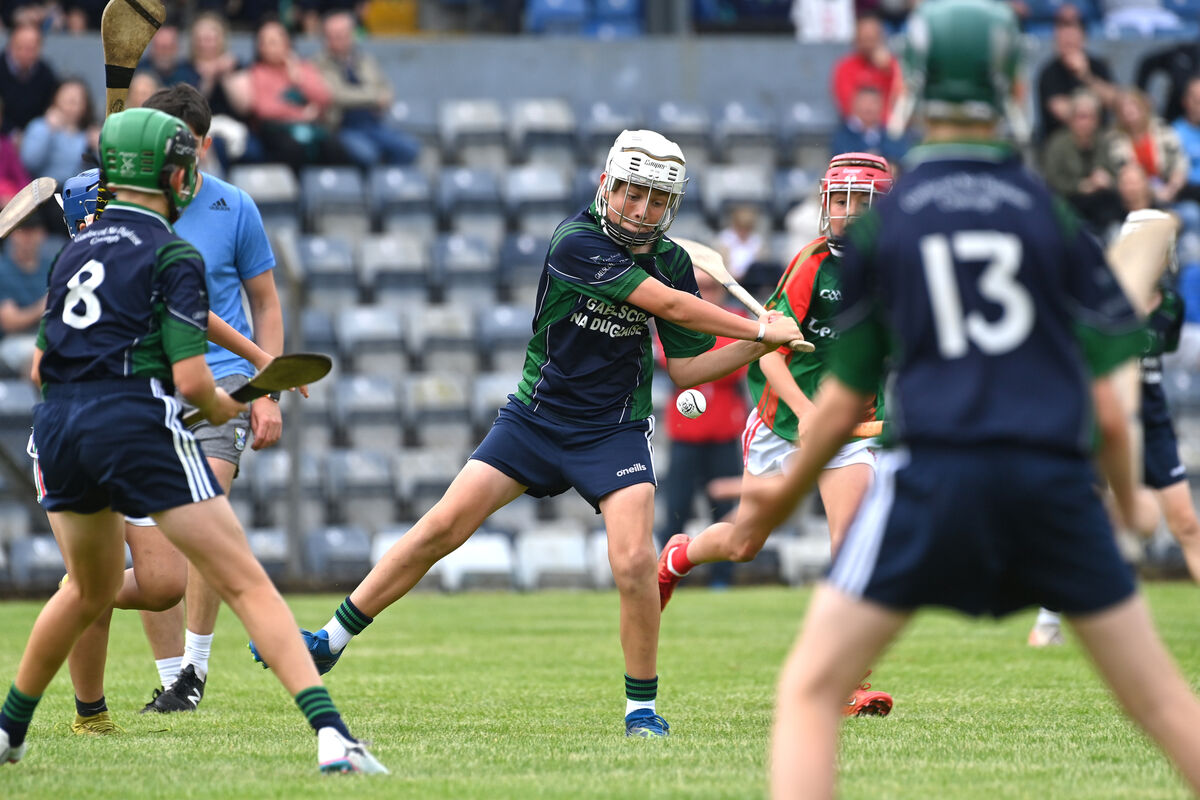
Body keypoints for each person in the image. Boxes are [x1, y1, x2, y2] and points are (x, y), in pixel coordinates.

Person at [761, 3, 1200, 797]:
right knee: (1166, 703)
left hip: (932, 475)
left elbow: (840, 401)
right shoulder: (1050, 217)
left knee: (810, 690)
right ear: (1011, 87)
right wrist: (1131, 505)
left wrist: (771, 501)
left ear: (914, 86)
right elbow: (1107, 396)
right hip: (1048, 482)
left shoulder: (879, 231)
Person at [249, 128, 804, 739]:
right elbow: (669, 308)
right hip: (536, 419)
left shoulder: (673, 261)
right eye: (632, 192)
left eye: (655, 198)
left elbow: (691, 365)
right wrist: (756, 331)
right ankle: (329, 639)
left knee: (634, 561)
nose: (641, 208)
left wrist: (756, 347)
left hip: (613, 431)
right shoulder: (576, 241)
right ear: (607, 185)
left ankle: (640, 709)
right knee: (441, 528)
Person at [0, 106, 384, 774]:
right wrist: (235, 397)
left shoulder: (74, 253)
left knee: (87, 590)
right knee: (246, 582)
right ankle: (333, 738)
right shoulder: (174, 254)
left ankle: (7, 732)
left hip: (57, 428)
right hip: (131, 425)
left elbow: (39, 367)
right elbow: (191, 380)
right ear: (174, 175)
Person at [34, 165, 275, 736]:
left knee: (163, 581)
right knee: (92, 579)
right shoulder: (77, 265)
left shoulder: (135, 251)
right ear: (93, 212)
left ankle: (77, 591)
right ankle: (89, 712)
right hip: (77, 433)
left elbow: (199, 314)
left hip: (136, 433)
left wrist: (260, 359)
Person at [657, 152, 894, 717]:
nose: (847, 214)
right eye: (839, 200)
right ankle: (678, 557)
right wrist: (806, 410)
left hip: (854, 425)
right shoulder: (811, 266)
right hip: (783, 425)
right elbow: (768, 360)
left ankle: (848, 683)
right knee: (743, 544)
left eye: (862, 202)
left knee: (855, 542)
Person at [133, 83, 287, 715]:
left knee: (205, 510)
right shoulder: (131, 207)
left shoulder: (235, 206)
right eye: (180, 148)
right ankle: (171, 680)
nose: (191, 158)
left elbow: (266, 303)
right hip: (144, 378)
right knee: (152, 550)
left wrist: (266, 389)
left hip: (221, 378)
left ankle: (193, 672)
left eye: (198, 146)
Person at [653, 263, 751, 590]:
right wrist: (719, 358)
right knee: (676, 507)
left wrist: (700, 362)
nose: (706, 293)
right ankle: (667, 574)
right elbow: (672, 362)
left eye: (711, 287)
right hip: (686, 435)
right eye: (700, 286)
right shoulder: (678, 319)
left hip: (723, 435)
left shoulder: (734, 320)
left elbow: (734, 366)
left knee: (725, 511)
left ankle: (722, 579)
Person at [314, 10, 419, 170]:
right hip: (342, 127)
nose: (339, 39)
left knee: (409, 149)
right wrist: (373, 97)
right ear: (325, 38)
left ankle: (389, 186)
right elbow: (337, 95)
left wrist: (385, 96)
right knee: (367, 155)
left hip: (373, 124)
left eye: (343, 34)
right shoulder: (317, 64)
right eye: (334, 35)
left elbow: (385, 87)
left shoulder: (366, 60)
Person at [247, 19, 345, 170]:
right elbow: (265, 109)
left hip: (310, 127)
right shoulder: (258, 71)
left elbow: (324, 98)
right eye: (264, 43)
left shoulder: (303, 67)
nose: (268, 47)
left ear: (287, 43)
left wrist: (299, 78)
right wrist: (300, 114)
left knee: (334, 147)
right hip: (276, 130)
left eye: (274, 42)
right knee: (293, 149)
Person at [1040, 89, 1123, 236]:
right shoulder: (1058, 143)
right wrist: (1079, 186)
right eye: (1082, 117)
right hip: (1071, 202)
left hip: (1103, 203)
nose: (1086, 122)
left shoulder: (1104, 141)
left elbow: (1118, 174)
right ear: (1071, 119)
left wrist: (1108, 180)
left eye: (1092, 117)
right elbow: (1051, 179)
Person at [1035, 3, 1115, 145]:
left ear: (1083, 38)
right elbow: (1061, 111)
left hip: (1099, 141)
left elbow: (1114, 101)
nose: (1067, 39)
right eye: (1062, 34)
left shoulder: (1098, 66)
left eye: (1072, 34)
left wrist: (1085, 76)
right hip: (1063, 142)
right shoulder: (1048, 72)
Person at [1104, 88, 1189, 210]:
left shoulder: (1163, 130)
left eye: (1133, 107)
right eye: (1123, 109)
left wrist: (1171, 189)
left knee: (1191, 213)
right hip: (1133, 200)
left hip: (1168, 192)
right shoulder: (1113, 140)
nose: (1128, 112)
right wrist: (1152, 192)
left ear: (1143, 107)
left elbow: (1180, 164)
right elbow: (1118, 176)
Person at [18, 78, 98, 185]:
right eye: (67, 97)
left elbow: (100, 174)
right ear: (56, 99)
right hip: (44, 191)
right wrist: (47, 131)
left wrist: (99, 148)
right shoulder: (40, 126)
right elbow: (29, 164)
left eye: (78, 98)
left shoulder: (88, 135)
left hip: (76, 192)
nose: (72, 102)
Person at [830, 13, 902, 123]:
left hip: (887, 128)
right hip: (856, 129)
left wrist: (889, 71)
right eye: (864, 39)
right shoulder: (845, 67)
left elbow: (900, 100)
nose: (868, 45)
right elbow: (847, 105)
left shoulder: (891, 65)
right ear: (856, 40)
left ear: (881, 39)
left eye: (872, 39)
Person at [0, 23, 59, 135]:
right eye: (20, 47)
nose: (25, 54)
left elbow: (49, 107)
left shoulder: (46, 74)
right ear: (10, 45)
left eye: (31, 49)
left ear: (40, 49)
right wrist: (12, 133)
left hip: (35, 135)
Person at [830, 86, 911, 164]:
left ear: (882, 106)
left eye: (873, 102)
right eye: (864, 102)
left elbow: (900, 159)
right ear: (854, 104)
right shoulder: (842, 135)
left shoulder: (889, 134)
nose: (868, 107)